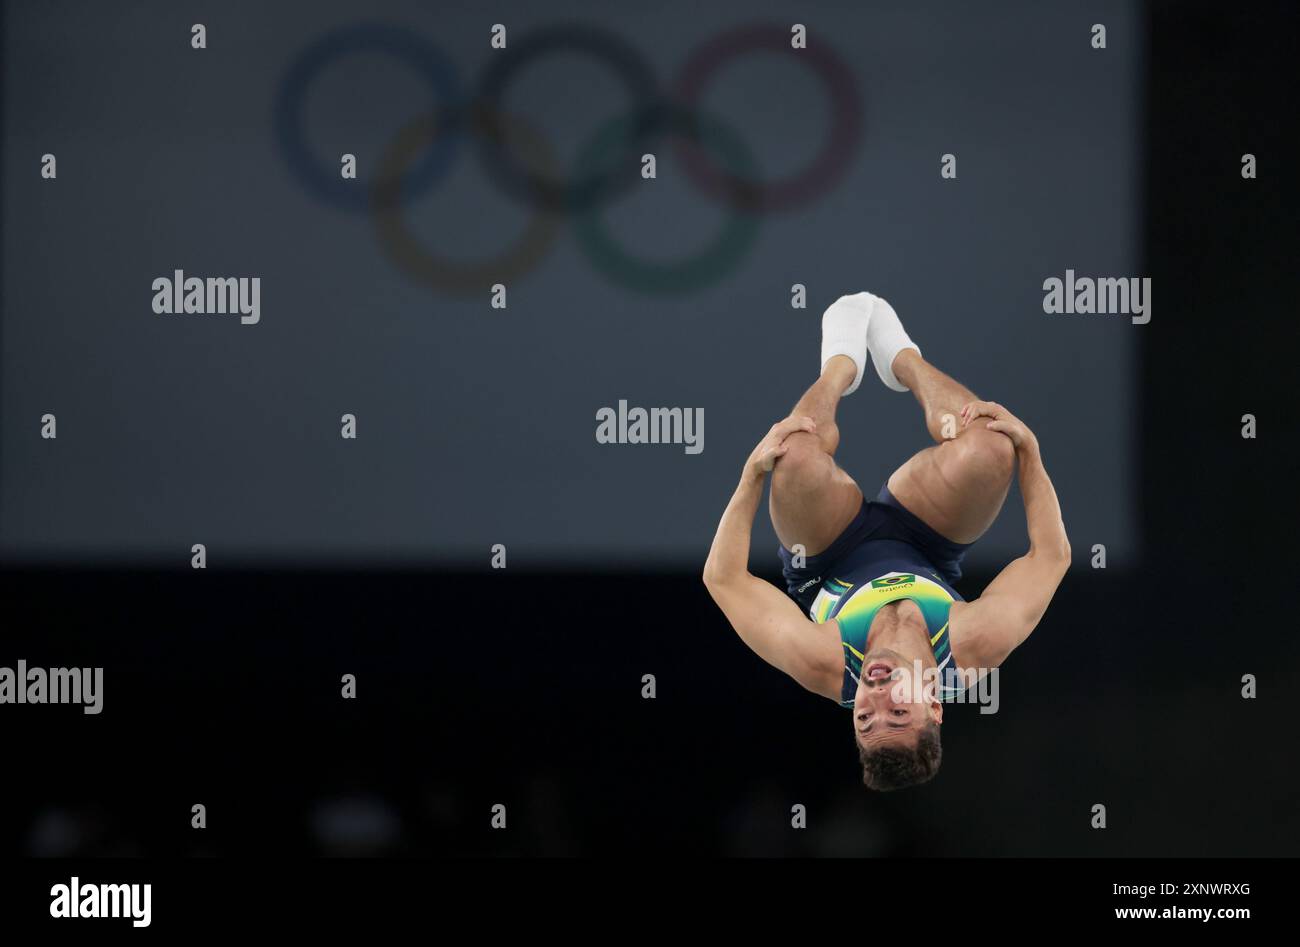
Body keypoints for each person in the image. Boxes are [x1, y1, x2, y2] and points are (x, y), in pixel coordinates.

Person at [702, 292, 1070, 790]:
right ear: (934, 703)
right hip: (926, 542)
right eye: (897, 711)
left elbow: (723, 578)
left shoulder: (824, 661)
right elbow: (1051, 556)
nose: (874, 698)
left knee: (793, 457)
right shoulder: (975, 643)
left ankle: (840, 365)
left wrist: (750, 478)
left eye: (863, 720)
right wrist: (1032, 453)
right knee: (991, 445)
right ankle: (902, 358)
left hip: (824, 553)